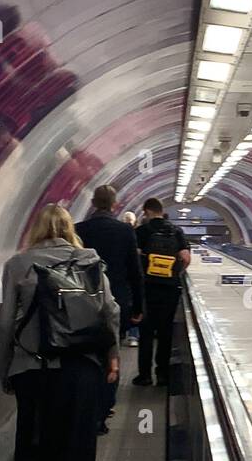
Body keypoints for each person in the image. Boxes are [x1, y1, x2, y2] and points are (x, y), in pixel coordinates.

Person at [0, 204, 120, 461]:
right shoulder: (90, 262)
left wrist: (5, 371)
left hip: (32, 372)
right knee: (74, 453)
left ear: (35, 230)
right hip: (81, 373)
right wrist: (112, 357)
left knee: (33, 446)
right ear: (70, 229)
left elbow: (4, 325)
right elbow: (109, 312)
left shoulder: (18, 266)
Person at [75, 185, 144, 431]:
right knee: (111, 354)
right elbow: (135, 272)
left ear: (93, 202)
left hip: (83, 303)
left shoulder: (78, 230)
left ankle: (86, 406)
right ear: (114, 205)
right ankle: (103, 411)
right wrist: (138, 305)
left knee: (86, 355)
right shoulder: (125, 231)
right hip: (116, 302)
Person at [133, 197, 190, 386]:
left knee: (146, 332)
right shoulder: (177, 231)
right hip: (170, 289)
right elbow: (186, 258)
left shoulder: (142, 231)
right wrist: (175, 273)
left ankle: (144, 375)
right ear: (161, 210)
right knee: (165, 332)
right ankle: (163, 374)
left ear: (147, 211)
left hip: (147, 289)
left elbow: (134, 258)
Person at [119, 212, 141, 347]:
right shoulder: (132, 234)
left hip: (125, 275)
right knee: (131, 304)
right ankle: (131, 334)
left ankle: (131, 334)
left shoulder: (119, 233)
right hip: (128, 274)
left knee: (129, 304)